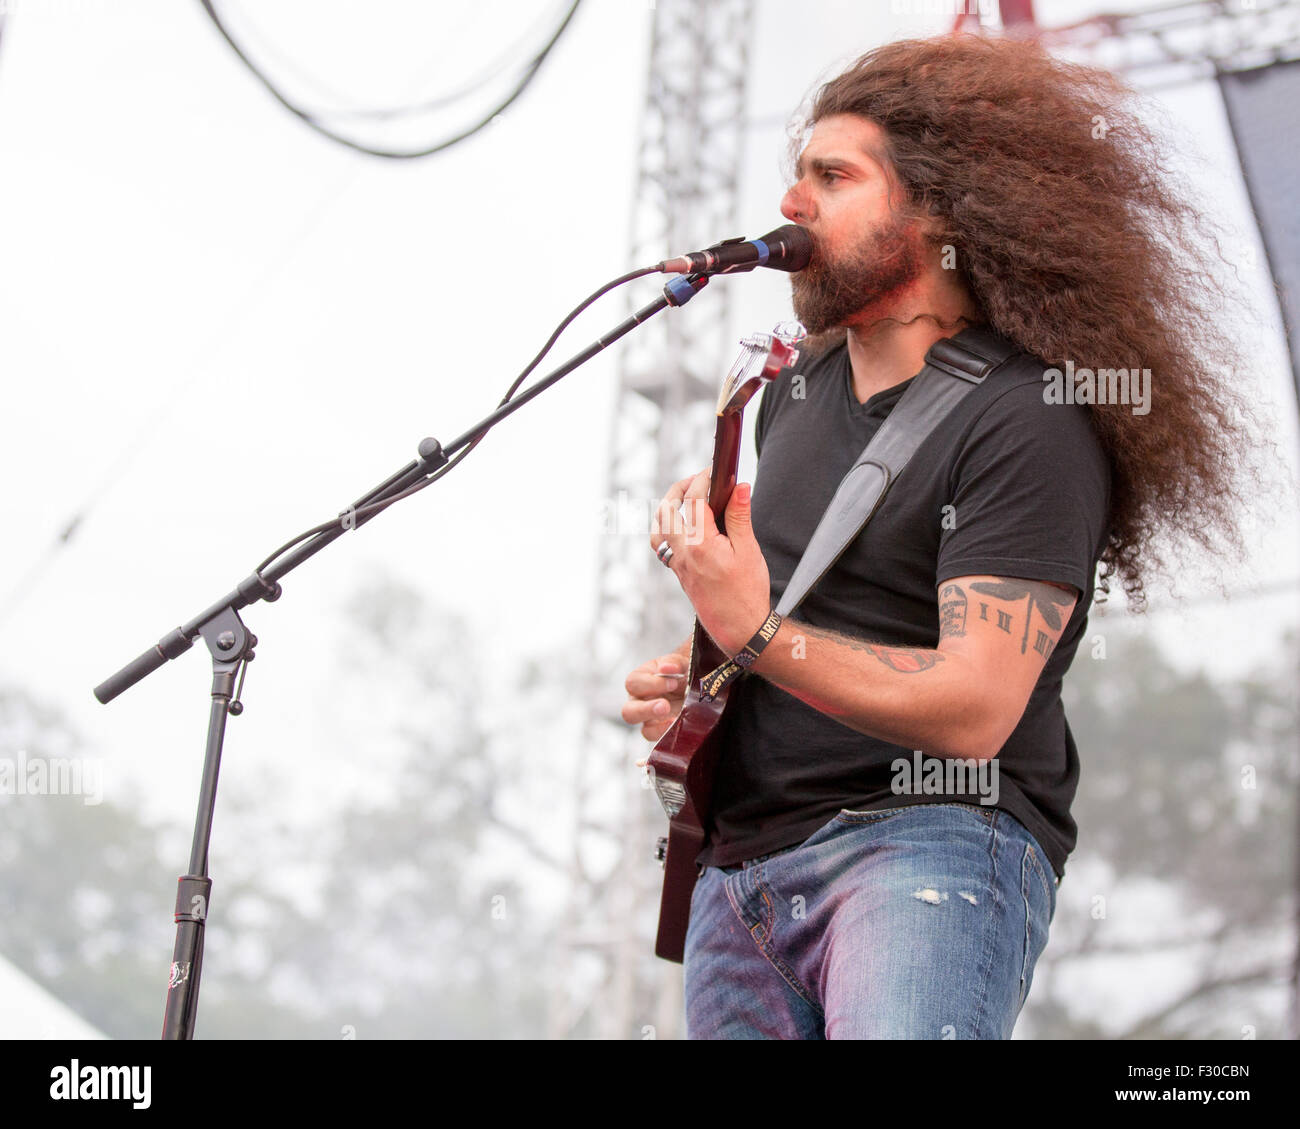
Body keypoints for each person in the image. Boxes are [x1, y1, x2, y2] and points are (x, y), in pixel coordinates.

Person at [621, 34, 1262, 1039]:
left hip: (920, 847)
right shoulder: (787, 399)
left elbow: (972, 707)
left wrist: (753, 635)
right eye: (796, 176)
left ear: (941, 208)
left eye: (832, 176)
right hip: (737, 874)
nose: (791, 204)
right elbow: (810, 625)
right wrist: (708, 669)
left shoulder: (1027, 416)